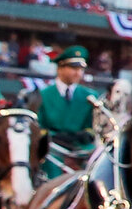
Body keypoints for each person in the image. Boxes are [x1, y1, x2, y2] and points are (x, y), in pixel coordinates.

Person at [29, 44, 103, 174]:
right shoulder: (43, 95)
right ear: (60, 69)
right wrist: (54, 136)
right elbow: (38, 127)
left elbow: (94, 128)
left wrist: (85, 134)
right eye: (73, 68)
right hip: (53, 150)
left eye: (81, 69)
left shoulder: (90, 96)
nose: (78, 73)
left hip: (81, 150)